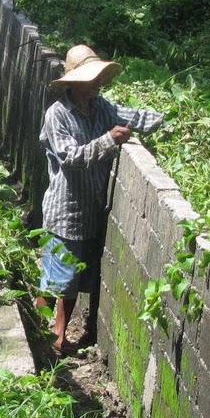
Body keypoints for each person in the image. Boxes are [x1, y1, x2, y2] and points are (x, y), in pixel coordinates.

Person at [38, 45, 164, 355]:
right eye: (92, 79)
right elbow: (70, 158)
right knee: (57, 278)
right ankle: (42, 330)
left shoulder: (100, 107)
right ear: (74, 82)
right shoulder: (58, 114)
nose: (98, 84)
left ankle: (57, 333)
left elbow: (131, 116)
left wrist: (169, 120)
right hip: (65, 211)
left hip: (90, 210)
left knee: (73, 278)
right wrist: (109, 140)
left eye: (99, 79)